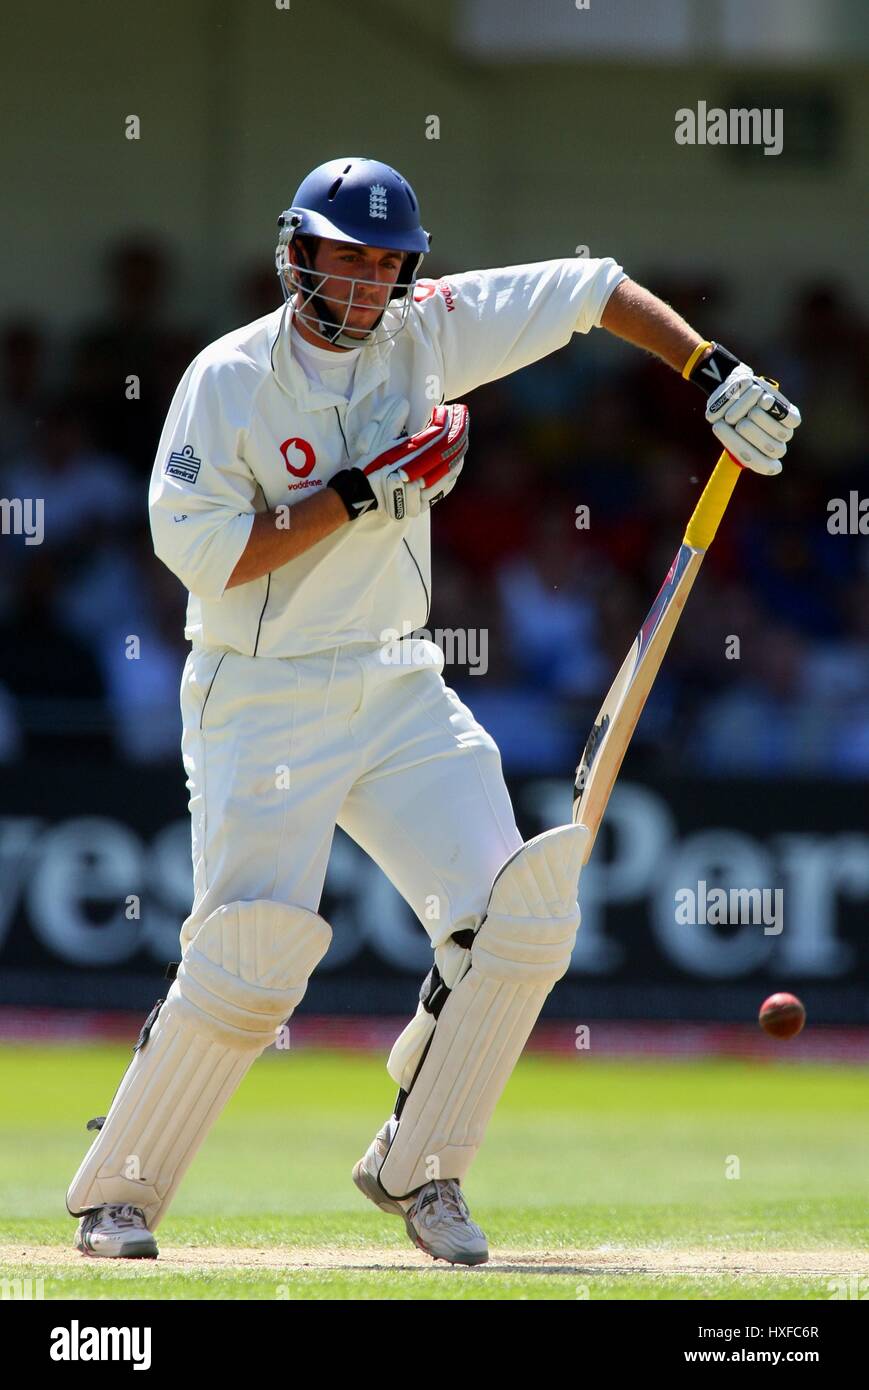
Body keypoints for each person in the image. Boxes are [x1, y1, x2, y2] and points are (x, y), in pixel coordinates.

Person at [66, 155, 801, 1265]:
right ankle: (118, 1196)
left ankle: (422, 1168)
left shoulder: (424, 330)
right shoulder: (228, 380)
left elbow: (588, 289)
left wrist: (706, 368)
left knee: (522, 915)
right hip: (260, 693)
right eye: (343, 260)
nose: (363, 287)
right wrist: (369, 488)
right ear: (296, 254)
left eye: (383, 265)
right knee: (252, 958)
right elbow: (210, 559)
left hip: (398, 681)